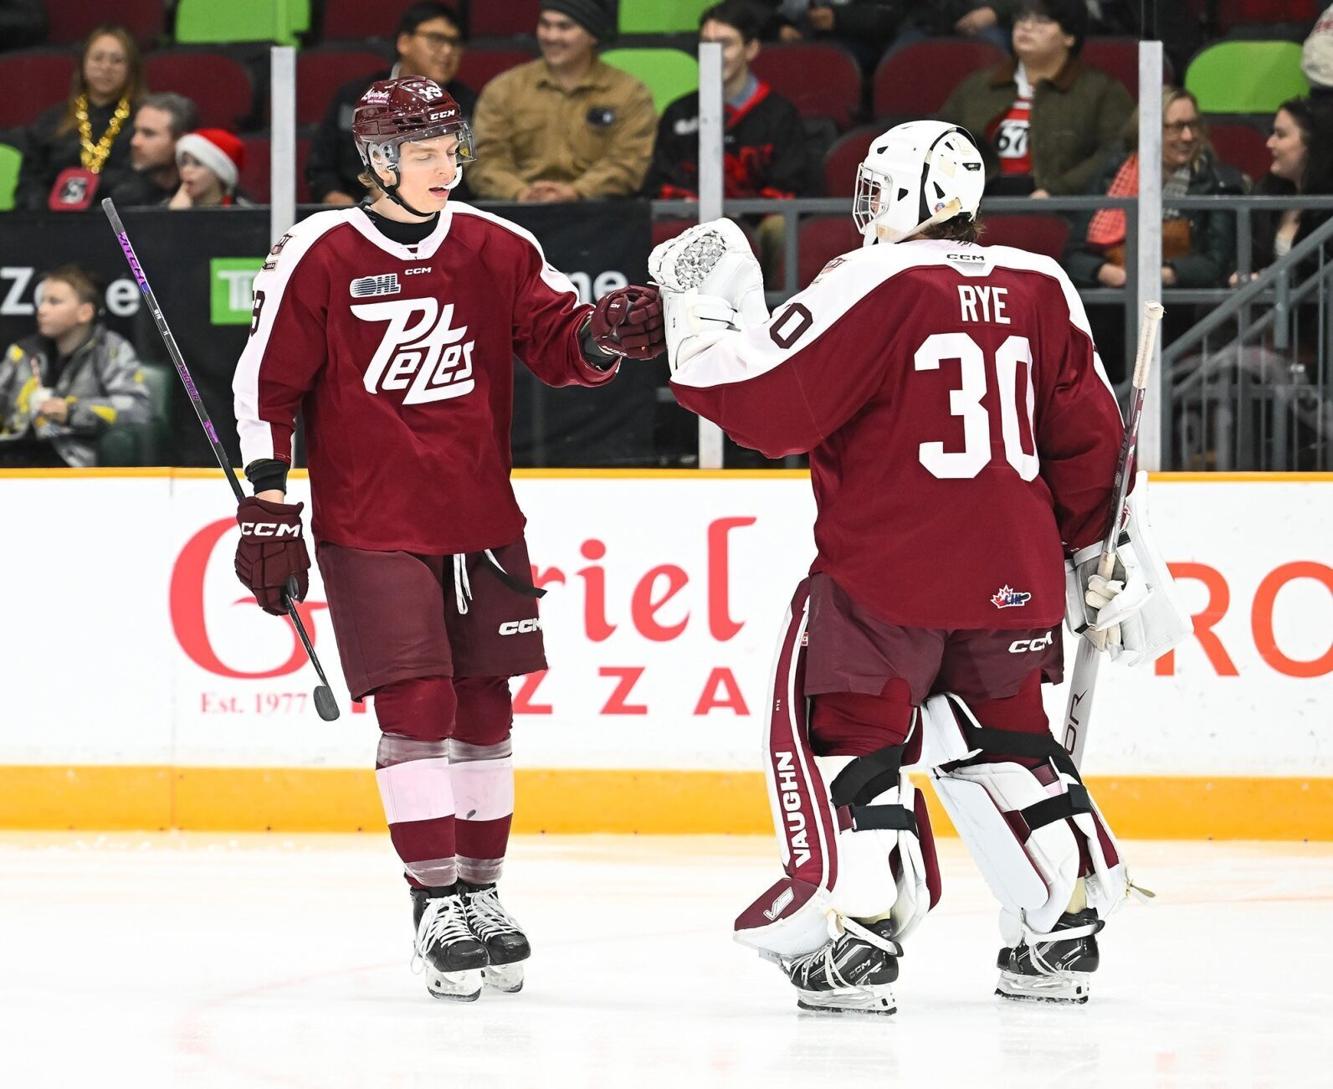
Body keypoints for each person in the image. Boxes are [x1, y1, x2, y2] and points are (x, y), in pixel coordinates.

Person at [645, 121, 1187, 1013]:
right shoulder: (1041, 281)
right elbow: (1091, 442)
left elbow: (767, 404)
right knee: (1010, 741)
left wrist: (699, 320)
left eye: (874, 189)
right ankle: (1060, 930)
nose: (864, 208)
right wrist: (1105, 547)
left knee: (850, 737)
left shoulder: (870, 279)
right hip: (1013, 574)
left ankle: (859, 936)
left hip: (886, 574)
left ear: (909, 196)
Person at [230, 76, 664, 1003]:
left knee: (486, 710)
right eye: (422, 153)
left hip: (481, 520)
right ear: (377, 160)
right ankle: (433, 901)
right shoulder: (318, 251)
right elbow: (266, 384)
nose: (444, 167)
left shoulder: (497, 244)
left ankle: (480, 892)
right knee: (418, 705)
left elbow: (559, 343)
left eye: (449, 149)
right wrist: (267, 501)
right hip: (372, 522)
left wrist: (604, 339)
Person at [939, 0, 1133, 197]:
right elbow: (939, 140)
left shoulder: (1101, 90)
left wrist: (1058, 190)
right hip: (978, 202)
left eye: (1043, 21)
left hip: (1065, 206)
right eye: (1022, 18)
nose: (1027, 27)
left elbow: (1114, 152)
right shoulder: (979, 86)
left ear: (1069, 37)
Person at [468, 1, 655, 202]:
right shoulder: (503, 89)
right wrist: (520, 192)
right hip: (515, 208)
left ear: (592, 35)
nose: (551, 36)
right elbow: (483, 158)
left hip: (600, 210)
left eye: (564, 27)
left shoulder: (630, 93)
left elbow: (629, 161)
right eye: (545, 25)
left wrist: (577, 191)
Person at [1066, 88, 1245, 292]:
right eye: (1176, 127)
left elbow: (1217, 264)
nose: (1188, 136)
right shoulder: (1111, 175)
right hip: (1115, 299)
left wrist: (1165, 274)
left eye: (1193, 125)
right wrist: (1104, 271)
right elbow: (1073, 255)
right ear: (1148, 129)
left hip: (1180, 302)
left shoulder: (1218, 183)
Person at [306, 2, 477, 206]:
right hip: (357, 208)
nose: (448, 51)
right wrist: (337, 199)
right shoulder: (354, 96)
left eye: (455, 43)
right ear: (404, 42)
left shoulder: (466, 105)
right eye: (436, 40)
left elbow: (470, 176)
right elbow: (320, 166)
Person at [645, 1, 810, 201]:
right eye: (706, 44)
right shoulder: (678, 113)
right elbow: (660, 185)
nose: (714, 54)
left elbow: (788, 191)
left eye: (725, 44)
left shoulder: (781, 116)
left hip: (758, 221)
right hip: (690, 220)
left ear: (751, 49)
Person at [0, 264, 151, 468]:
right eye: (42, 301)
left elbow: (137, 409)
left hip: (72, 462)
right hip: (13, 458)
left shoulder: (110, 350)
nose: (42, 309)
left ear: (84, 313)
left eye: (54, 302)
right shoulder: (22, 352)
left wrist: (71, 412)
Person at [15, 24, 144, 211]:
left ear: (131, 68)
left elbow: (144, 183)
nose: (106, 67)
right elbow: (30, 182)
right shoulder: (52, 121)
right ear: (83, 64)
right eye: (98, 58)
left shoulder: (143, 122)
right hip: (52, 220)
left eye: (117, 61)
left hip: (118, 219)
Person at [107, 93, 199, 207]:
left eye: (148, 134)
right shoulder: (120, 194)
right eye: (136, 131)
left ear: (181, 141)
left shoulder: (204, 190)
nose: (135, 142)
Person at [167, 128, 249, 208]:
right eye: (184, 162)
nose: (186, 170)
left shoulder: (244, 211)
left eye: (198, 163)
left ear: (219, 172)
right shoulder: (168, 207)